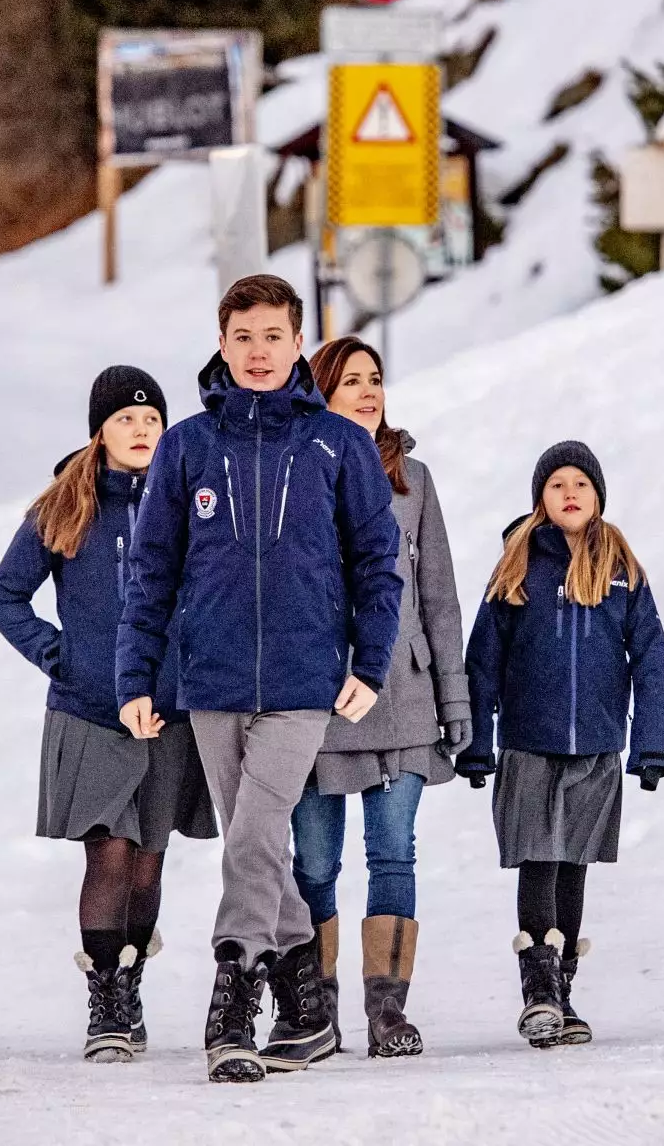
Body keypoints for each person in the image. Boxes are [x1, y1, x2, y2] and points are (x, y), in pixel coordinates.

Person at [116, 275, 403, 1084]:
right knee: (260, 847)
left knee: (251, 835)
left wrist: (369, 662)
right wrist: (136, 677)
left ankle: (233, 995)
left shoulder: (337, 446)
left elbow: (381, 565)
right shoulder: (187, 445)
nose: (258, 352)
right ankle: (308, 1007)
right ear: (222, 342)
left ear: (298, 342)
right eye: (243, 337)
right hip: (209, 680)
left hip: (303, 682)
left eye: (273, 336)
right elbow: (152, 572)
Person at [0, 365, 216, 1063]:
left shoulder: (190, 504)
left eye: (151, 421)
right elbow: (4, 598)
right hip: (90, 712)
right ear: (99, 432)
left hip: (171, 712)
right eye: (125, 420)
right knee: (107, 854)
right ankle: (105, 999)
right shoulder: (64, 508)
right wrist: (64, 656)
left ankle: (132, 976)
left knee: (147, 865)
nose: (141, 431)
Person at [288, 336, 471, 1060]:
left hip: (405, 698)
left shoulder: (414, 479)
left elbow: (442, 600)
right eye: (351, 381)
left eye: (376, 379)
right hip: (316, 701)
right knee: (314, 864)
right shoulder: (296, 473)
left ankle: (387, 1012)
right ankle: (317, 1008)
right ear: (322, 392)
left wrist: (454, 699)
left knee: (394, 855)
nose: (368, 392)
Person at [457, 441, 664, 1049]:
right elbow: (484, 661)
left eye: (581, 483)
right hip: (528, 744)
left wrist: (651, 744)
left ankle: (563, 990)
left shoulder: (622, 568)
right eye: (556, 485)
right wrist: (476, 742)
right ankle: (539, 993)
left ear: (598, 495)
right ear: (539, 499)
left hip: (598, 746)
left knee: (574, 864)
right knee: (538, 858)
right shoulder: (518, 566)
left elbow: (650, 657)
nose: (569, 493)